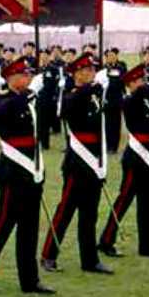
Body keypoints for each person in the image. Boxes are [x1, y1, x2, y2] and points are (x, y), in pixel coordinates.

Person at [0, 58, 55, 295]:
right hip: (13, 171)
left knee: (30, 228)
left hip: (32, 169)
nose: (28, 78)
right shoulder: (3, 99)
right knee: (4, 224)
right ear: (11, 77)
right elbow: (4, 113)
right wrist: (27, 95)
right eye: (24, 74)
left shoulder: (30, 99)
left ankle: (29, 280)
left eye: (30, 74)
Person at [41, 53, 113, 274]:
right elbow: (68, 111)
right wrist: (92, 89)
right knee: (66, 211)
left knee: (89, 214)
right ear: (76, 74)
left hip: (94, 162)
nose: (91, 73)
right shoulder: (74, 96)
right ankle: (48, 254)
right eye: (86, 70)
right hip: (77, 163)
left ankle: (89, 259)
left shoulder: (92, 94)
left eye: (92, 70)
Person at [97, 63, 149, 257]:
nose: (144, 83)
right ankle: (106, 240)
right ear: (130, 84)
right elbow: (139, 95)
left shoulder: (147, 101)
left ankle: (146, 246)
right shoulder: (129, 100)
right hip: (135, 158)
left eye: (144, 79)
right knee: (123, 201)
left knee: (147, 204)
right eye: (139, 80)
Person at [103, 48, 127, 154]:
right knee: (107, 123)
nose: (110, 57)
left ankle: (114, 146)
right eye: (108, 56)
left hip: (116, 99)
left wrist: (111, 82)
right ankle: (108, 145)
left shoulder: (121, 68)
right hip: (106, 99)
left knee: (116, 123)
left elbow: (121, 82)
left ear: (116, 56)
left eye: (112, 55)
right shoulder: (104, 69)